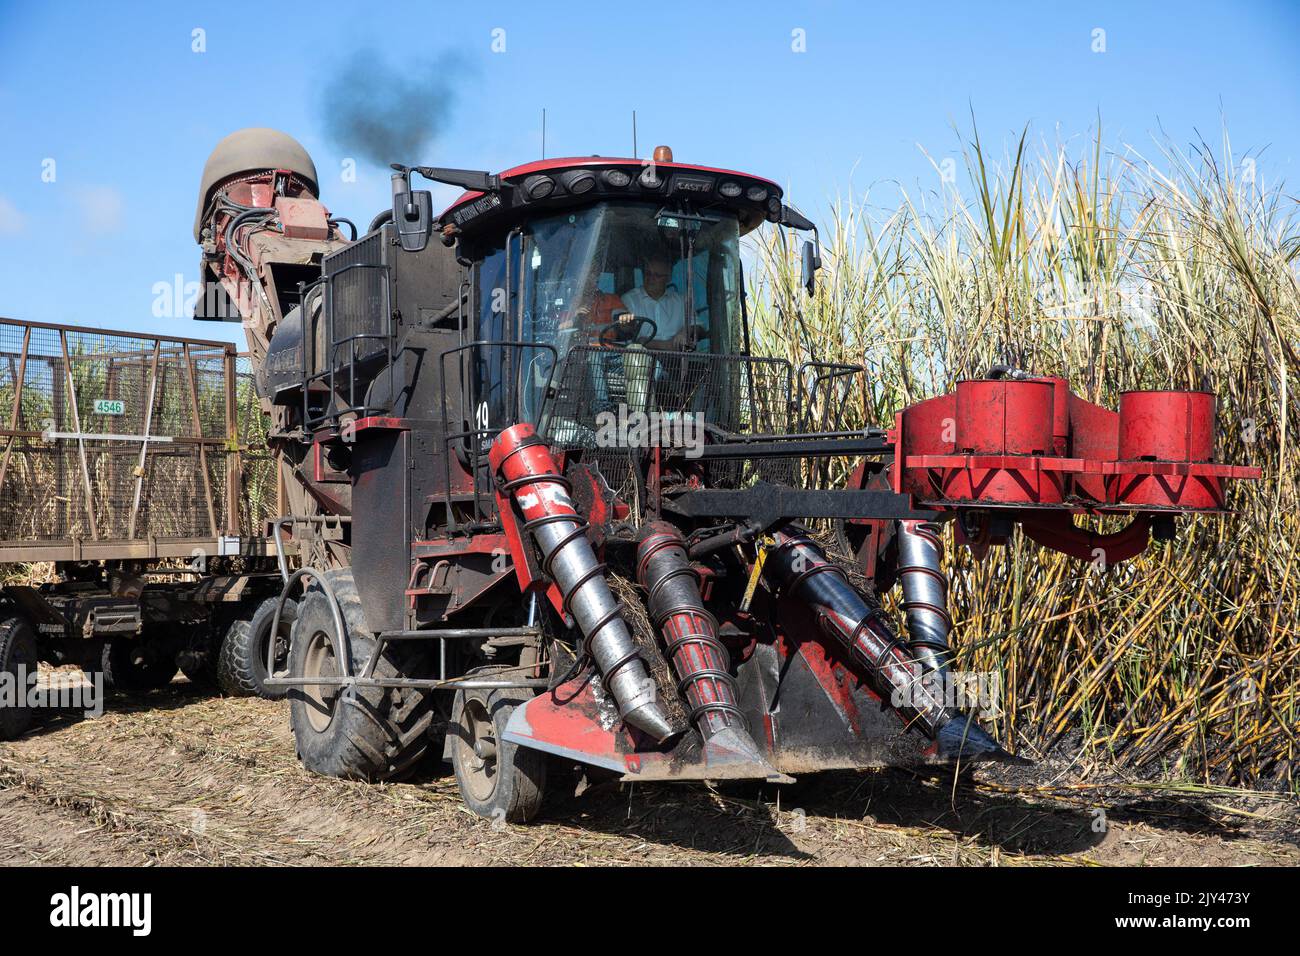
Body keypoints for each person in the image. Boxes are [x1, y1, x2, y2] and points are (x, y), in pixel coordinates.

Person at [620, 254, 691, 349]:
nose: (650, 279)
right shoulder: (630, 299)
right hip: (641, 359)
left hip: (679, 360)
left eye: (657, 275)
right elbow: (627, 329)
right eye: (648, 273)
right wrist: (626, 324)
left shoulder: (681, 301)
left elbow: (698, 326)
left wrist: (684, 332)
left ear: (668, 278)